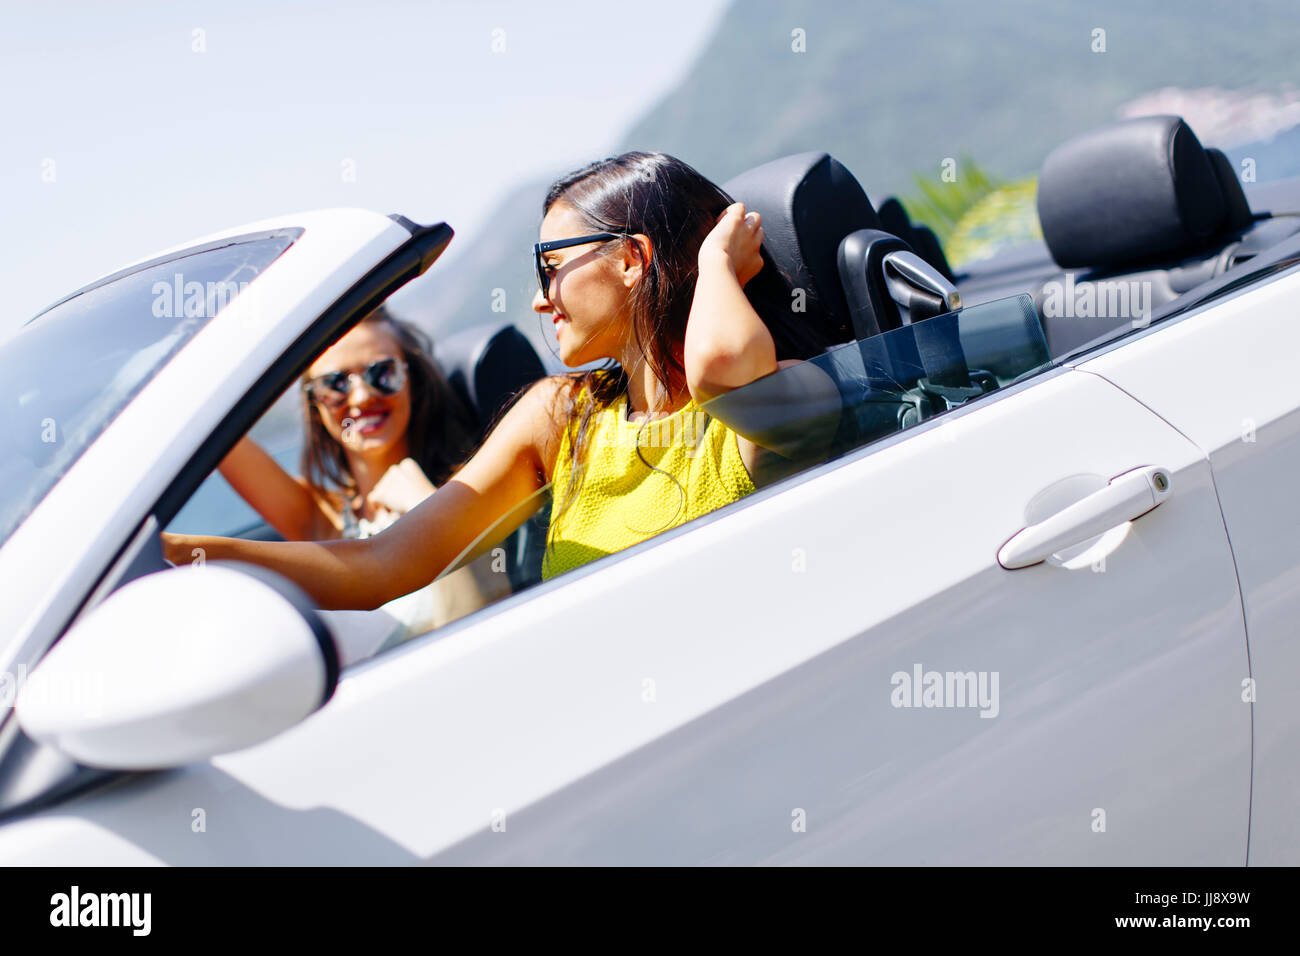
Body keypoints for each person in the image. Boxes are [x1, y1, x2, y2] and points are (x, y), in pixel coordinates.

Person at [161, 151, 833, 613]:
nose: (542, 300)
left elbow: (719, 372)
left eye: (550, 268)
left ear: (631, 259)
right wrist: (170, 557)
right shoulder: (558, 417)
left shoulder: (791, 392)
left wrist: (714, 263)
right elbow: (380, 569)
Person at [215, 306, 509, 648]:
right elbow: (209, 426)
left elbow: (483, 625)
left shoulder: (470, 489)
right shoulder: (318, 519)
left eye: (381, 373)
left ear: (411, 381)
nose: (362, 396)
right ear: (315, 403)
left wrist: (426, 508)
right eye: (336, 383)